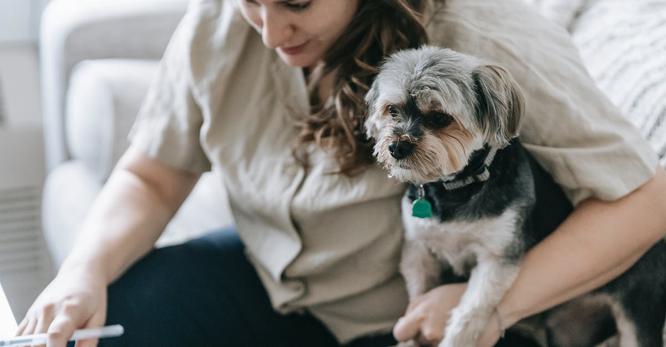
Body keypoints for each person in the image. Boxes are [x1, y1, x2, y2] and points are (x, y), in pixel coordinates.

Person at [17, 0, 666, 346]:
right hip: (267, 278)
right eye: (251, 1)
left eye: (297, 1)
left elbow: (645, 200)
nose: (270, 31)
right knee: (94, 333)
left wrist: (486, 306)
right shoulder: (218, 22)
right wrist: (82, 270)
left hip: (408, 318)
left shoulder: (479, 38)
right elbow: (154, 175)